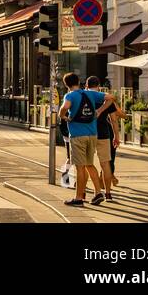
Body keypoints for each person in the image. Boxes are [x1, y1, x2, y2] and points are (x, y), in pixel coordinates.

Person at [58, 72, 106, 207]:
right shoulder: (89, 93)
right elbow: (111, 97)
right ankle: (98, 193)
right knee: (90, 164)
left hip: (78, 136)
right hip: (92, 134)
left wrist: (64, 117)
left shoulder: (70, 95)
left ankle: (79, 198)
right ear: (78, 81)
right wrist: (100, 110)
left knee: (79, 167)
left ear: (66, 84)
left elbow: (64, 107)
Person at [86, 76, 120, 201]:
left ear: (86, 86)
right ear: (99, 86)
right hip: (104, 134)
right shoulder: (105, 98)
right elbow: (114, 120)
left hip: (88, 133)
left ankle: (89, 192)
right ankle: (108, 194)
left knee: (87, 164)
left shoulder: (84, 96)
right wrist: (116, 136)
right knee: (105, 164)